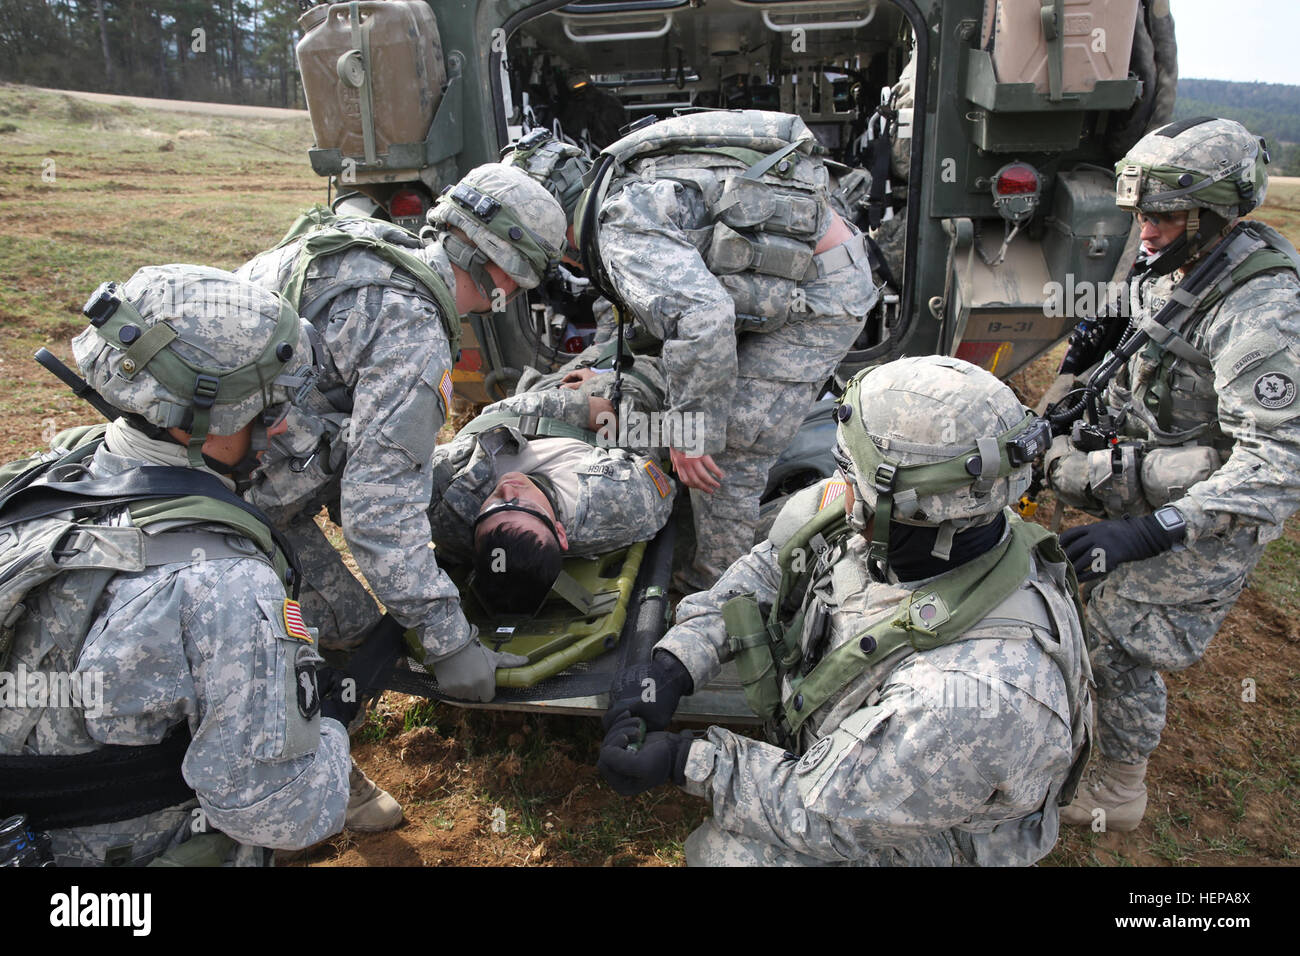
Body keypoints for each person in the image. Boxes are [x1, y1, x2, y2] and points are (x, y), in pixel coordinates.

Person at [598, 356, 1092, 866]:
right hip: (868, 754)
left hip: (924, 820)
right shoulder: (919, 520)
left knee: (730, 855)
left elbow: (823, 814)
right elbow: (773, 566)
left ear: (912, 505)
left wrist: (687, 761)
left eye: (855, 476)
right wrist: (674, 664)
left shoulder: (974, 695)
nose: (842, 487)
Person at [238, 163, 566, 829]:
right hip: (236, 508)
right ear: (501, 271)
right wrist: (449, 642)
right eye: (518, 280)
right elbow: (378, 516)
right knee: (344, 636)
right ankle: (310, 774)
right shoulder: (411, 327)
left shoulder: (360, 247)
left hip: (209, 456)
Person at [0, 265, 351, 866]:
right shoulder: (222, 580)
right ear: (198, 423)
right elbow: (282, 812)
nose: (279, 425)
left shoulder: (37, 483)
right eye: (263, 408)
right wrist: (333, 731)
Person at [1044, 117, 1300, 831]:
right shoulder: (1183, 257)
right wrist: (1069, 388)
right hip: (1153, 479)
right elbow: (1125, 320)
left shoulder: (1264, 311)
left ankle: (1117, 791)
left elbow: (1277, 466)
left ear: (1215, 211)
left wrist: (1150, 532)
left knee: (1115, 634)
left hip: (1212, 516)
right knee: (1073, 601)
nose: (1145, 232)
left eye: (1161, 215)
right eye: (1140, 214)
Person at [573, 109, 879, 591]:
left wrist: (691, 433)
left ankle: (719, 594)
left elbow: (702, 318)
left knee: (732, 448)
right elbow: (641, 303)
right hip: (804, 278)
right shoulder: (623, 188)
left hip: (822, 298)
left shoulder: (617, 223)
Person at [427, 343, 676, 611]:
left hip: (548, 386)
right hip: (619, 391)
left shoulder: (448, 504)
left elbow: (495, 415)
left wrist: (578, 407)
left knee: (599, 342)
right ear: (560, 532)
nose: (508, 491)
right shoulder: (615, 501)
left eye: (492, 508)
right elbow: (649, 450)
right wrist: (598, 397)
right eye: (522, 506)